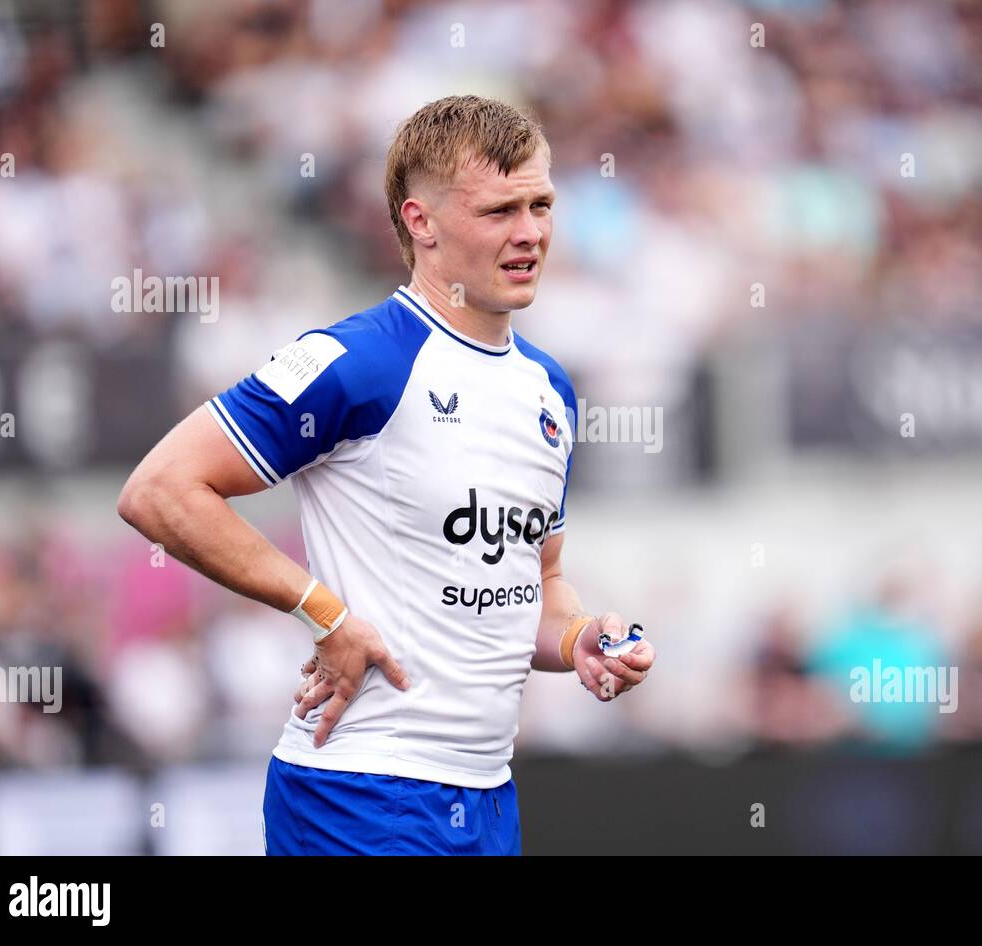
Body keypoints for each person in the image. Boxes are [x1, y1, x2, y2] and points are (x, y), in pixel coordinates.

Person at [117, 94, 656, 855]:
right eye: (499, 211)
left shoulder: (549, 389)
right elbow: (160, 489)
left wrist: (579, 641)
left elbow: (538, 584)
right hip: (361, 794)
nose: (530, 233)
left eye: (541, 205)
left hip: (486, 797)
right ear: (420, 222)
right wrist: (324, 614)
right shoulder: (358, 360)